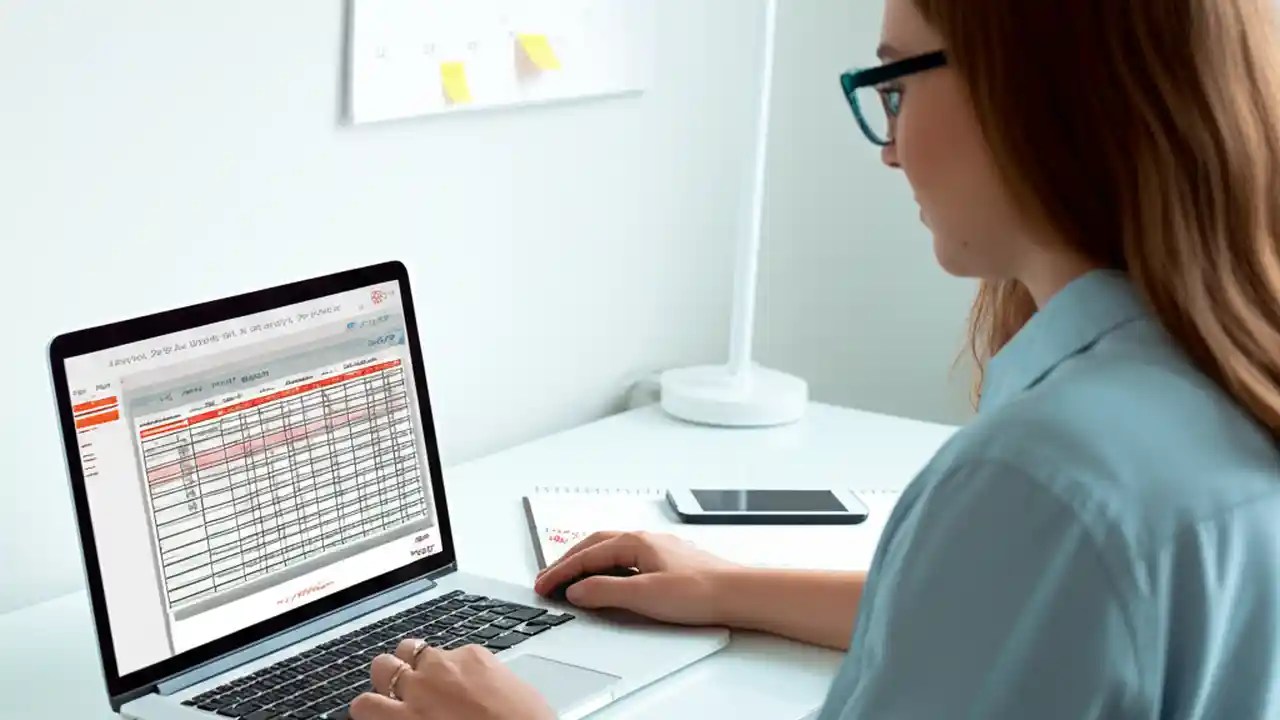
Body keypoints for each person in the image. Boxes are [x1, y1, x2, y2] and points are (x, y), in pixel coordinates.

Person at [350, 0, 1280, 716]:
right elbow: (1018, 621)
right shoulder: (1208, 384)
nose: (888, 152)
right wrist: (724, 587)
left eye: (899, 88)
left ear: (1030, 89)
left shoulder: (1044, 480)